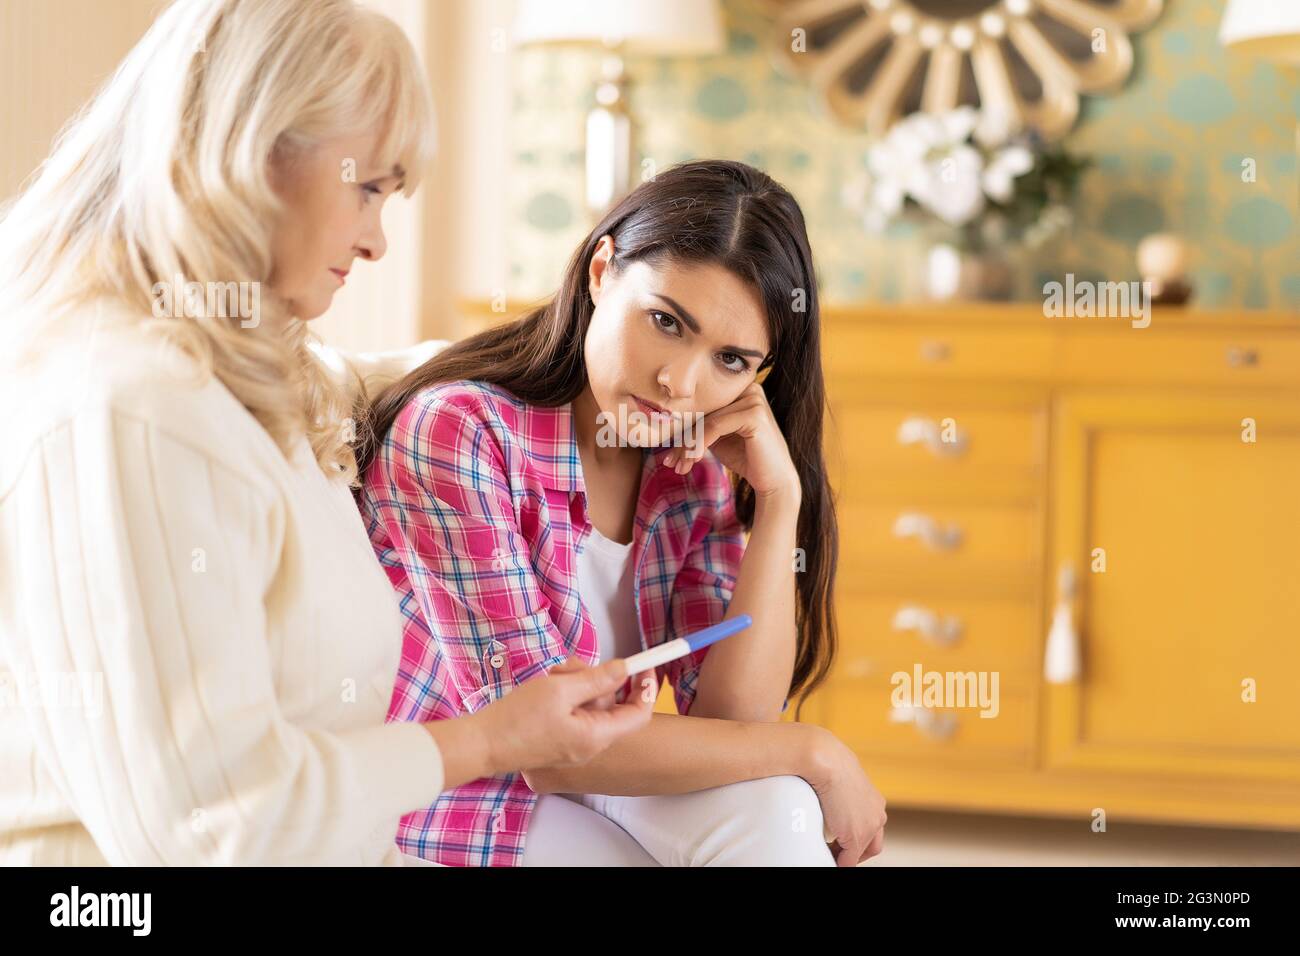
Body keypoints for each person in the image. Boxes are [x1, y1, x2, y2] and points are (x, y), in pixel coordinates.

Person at [0, 0, 651, 867]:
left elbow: (376, 382)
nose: (379, 240)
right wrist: (492, 740)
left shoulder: (250, 372)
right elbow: (221, 830)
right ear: (252, 151)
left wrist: (614, 371)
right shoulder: (134, 410)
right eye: (369, 187)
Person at [357, 160, 888, 867]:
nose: (680, 383)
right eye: (666, 322)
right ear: (603, 270)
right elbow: (538, 745)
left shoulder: (689, 471)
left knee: (778, 811)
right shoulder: (459, 432)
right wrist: (816, 750)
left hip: (602, 772)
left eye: (730, 360)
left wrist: (780, 500)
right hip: (461, 793)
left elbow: (735, 724)